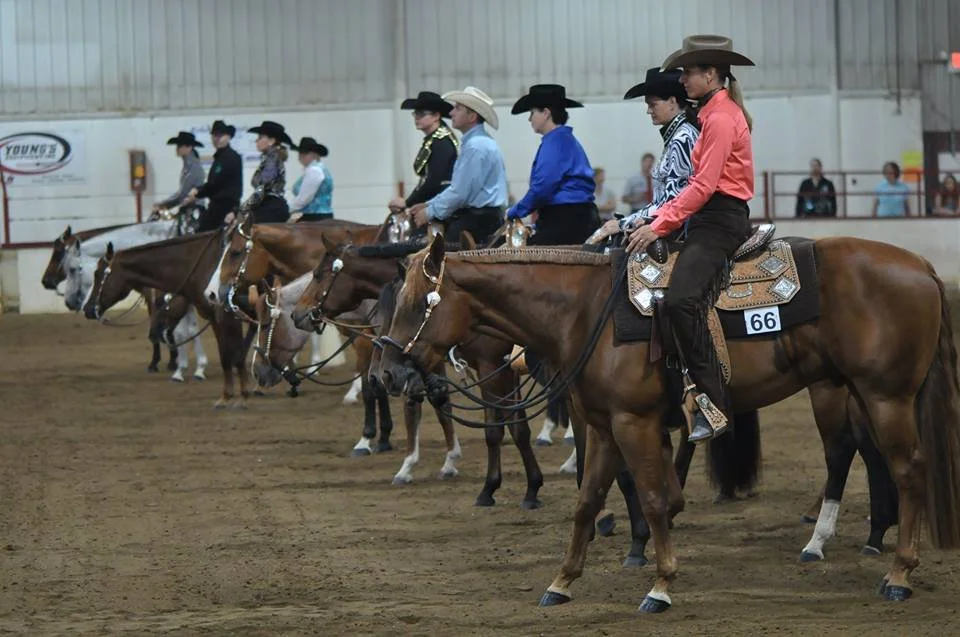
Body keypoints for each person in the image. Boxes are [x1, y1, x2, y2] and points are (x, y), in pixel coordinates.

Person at [626, 35, 756, 444]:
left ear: (711, 74)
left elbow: (702, 186)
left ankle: (714, 402)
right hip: (709, 218)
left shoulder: (719, 119)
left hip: (719, 220)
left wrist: (659, 225)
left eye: (688, 73)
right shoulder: (713, 113)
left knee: (681, 299)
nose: (682, 80)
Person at [588, 67, 700, 244]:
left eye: (652, 104)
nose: (649, 111)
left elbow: (672, 200)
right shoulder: (678, 136)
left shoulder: (682, 138)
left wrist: (624, 223)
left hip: (680, 231)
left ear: (672, 102)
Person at [406, 86, 508, 246]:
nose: (452, 112)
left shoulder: (475, 147)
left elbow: (460, 193)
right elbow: (458, 188)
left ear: (472, 116)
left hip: (478, 222)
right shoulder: (478, 143)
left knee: (436, 254)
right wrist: (430, 204)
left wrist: (430, 211)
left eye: (458, 108)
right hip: (483, 218)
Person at [505, 84, 599, 245]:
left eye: (532, 112)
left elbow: (542, 187)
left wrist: (515, 211)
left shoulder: (555, 143)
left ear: (546, 113)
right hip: (574, 216)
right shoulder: (563, 140)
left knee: (526, 253)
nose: (530, 119)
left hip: (566, 219)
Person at [390, 91, 460, 225]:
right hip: (434, 201)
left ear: (436, 116)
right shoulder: (434, 140)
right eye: (415, 114)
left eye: (422, 114)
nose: (417, 118)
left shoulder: (441, 142)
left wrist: (408, 202)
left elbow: (434, 181)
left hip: (441, 206)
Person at [183, 120, 243, 231]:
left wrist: (197, 192)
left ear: (228, 137)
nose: (217, 139)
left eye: (220, 135)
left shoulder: (230, 157)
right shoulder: (220, 157)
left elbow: (215, 184)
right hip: (217, 206)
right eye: (215, 135)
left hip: (224, 207)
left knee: (205, 234)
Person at [238, 120, 293, 224]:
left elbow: (263, 183)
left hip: (271, 207)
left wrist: (246, 206)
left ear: (271, 141)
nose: (256, 141)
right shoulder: (270, 158)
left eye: (260, 137)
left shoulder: (272, 158)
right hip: (270, 205)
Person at [152, 131, 207, 231]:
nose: (177, 148)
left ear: (189, 147)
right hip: (189, 209)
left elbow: (182, 194)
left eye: (180, 145)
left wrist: (163, 204)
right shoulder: (189, 166)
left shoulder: (193, 167)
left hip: (194, 212)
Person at [288, 137, 334, 222]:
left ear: (315, 154)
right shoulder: (315, 169)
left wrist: (286, 209)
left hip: (316, 217)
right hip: (316, 216)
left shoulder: (314, 171)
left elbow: (304, 199)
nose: (300, 156)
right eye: (300, 153)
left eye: (305, 153)